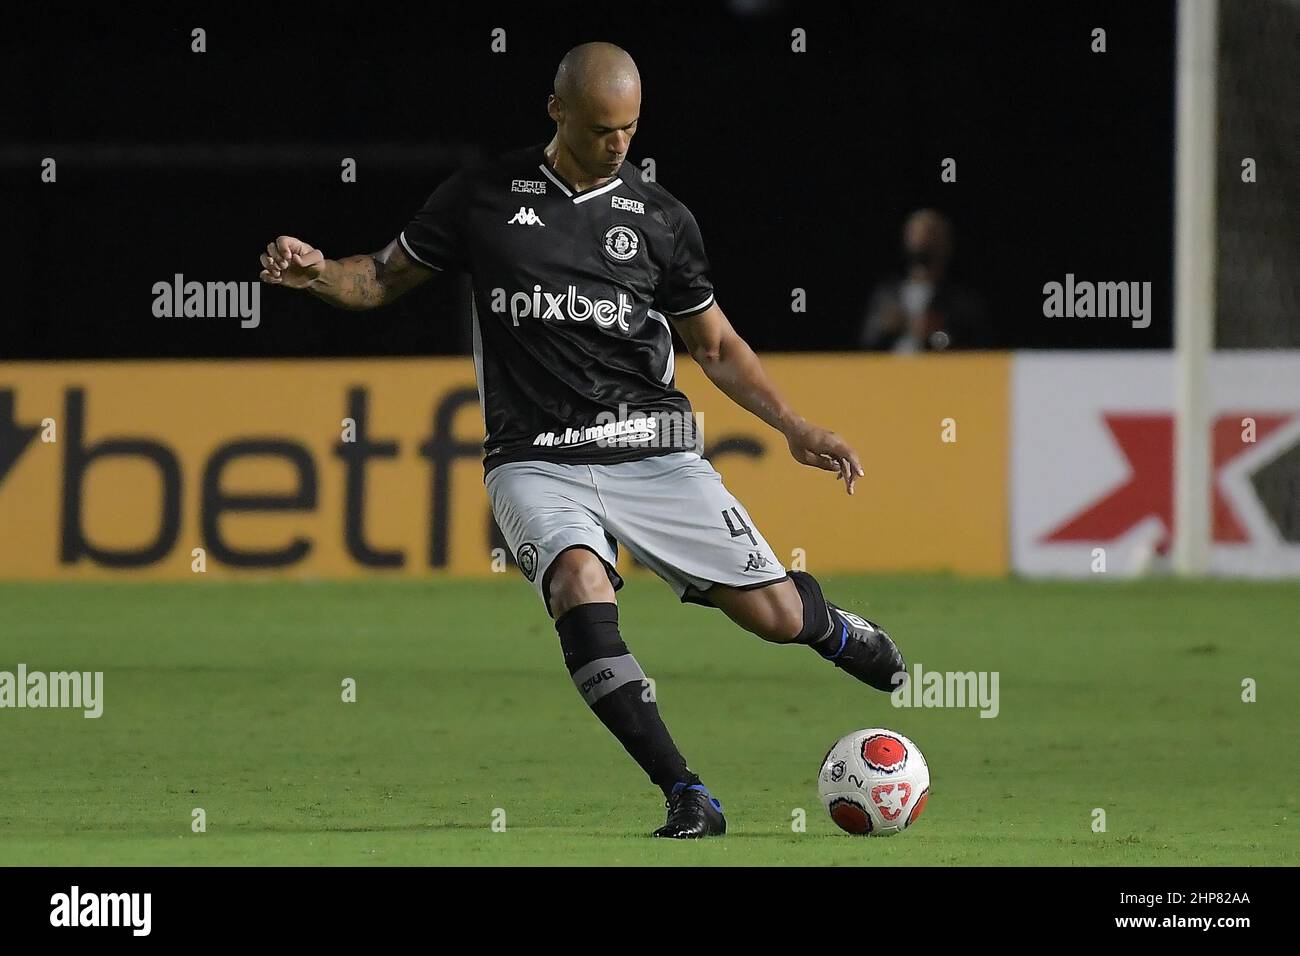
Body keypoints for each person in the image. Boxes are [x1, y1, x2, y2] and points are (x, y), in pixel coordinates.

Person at [258, 41, 906, 839]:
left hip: (652, 449)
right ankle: (686, 791)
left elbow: (715, 347)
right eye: (603, 129)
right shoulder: (480, 199)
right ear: (557, 111)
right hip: (533, 459)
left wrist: (795, 426)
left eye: (630, 130)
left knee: (773, 616)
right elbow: (381, 278)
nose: (618, 146)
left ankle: (834, 629)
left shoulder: (662, 220)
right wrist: (318, 271)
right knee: (577, 585)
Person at [860, 209, 993, 352]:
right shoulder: (887, 293)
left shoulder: (962, 300)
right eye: (915, 234)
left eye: (930, 234)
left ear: (945, 242)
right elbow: (867, 340)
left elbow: (977, 349)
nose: (921, 240)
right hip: (889, 372)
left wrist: (936, 334)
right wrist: (887, 327)